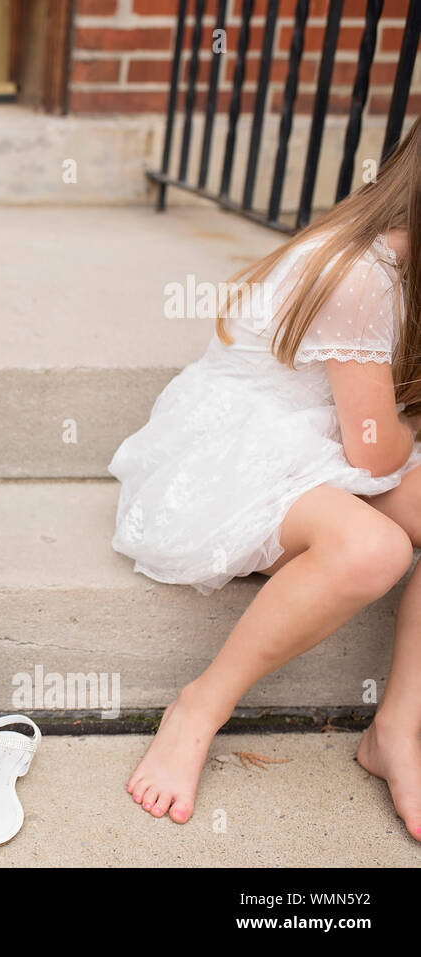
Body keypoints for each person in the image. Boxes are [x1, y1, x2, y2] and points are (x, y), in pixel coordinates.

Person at [109, 118, 421, 841]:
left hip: (317, 438)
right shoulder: (360, 272)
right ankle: (200, 705)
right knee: (374, 550)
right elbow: (375, 450)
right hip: (231, 454)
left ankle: (398, 727)